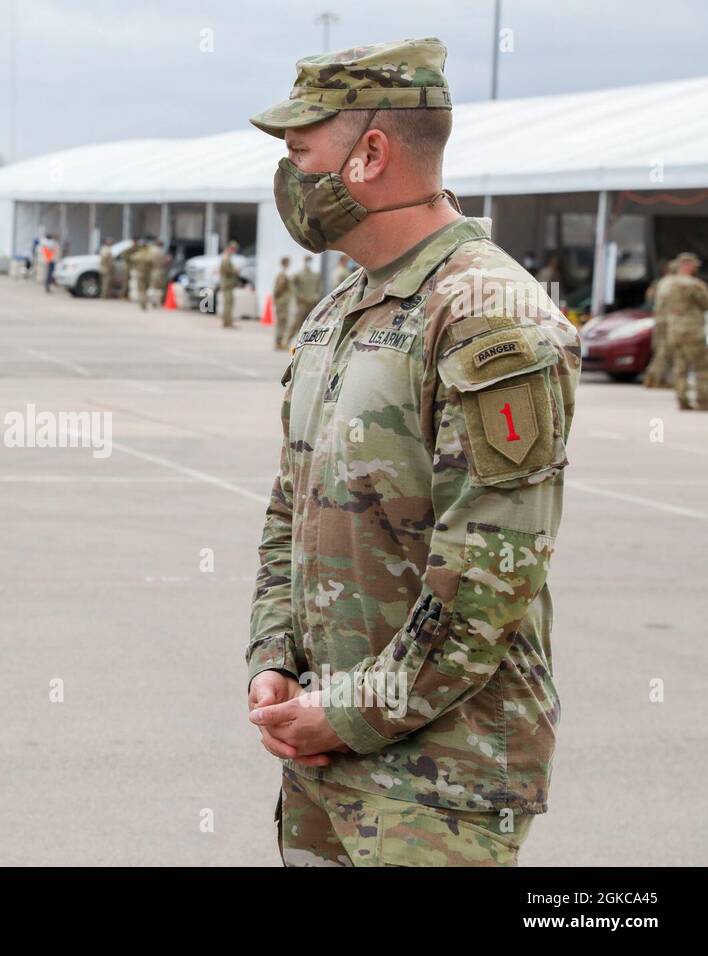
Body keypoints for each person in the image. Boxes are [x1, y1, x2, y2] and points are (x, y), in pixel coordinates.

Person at [246, 38, 580, 866]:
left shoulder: (486, 313)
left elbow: (491, 576)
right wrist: (274, 659)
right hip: (327, 758)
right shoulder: (338, 313)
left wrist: (353, 712)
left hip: (440, 783)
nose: (290, 178)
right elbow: (292, 506)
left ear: (370, 155)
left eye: (299, 153)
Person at [657, 251, 708, 410]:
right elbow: (705, 303)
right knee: (702, 366)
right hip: (692, 330)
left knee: (680, 366)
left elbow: (660, 307)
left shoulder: (666, 283)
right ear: (686, 265)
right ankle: (703, 400)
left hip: (673, 330)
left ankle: (682, 400)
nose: (695, 269)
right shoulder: (694, 284)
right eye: (693, 266)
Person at [644, 259, 677, 389]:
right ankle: (656, 379)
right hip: (668, 321)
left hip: (659, 320)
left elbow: (650, 297)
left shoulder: (659, 283)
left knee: (660, 350)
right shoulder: (673, 283)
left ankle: (653, 378)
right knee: (664, 351)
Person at [273, 256, 295, 348]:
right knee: (281, 321)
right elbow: (279, 288)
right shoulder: (283, 274)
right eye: (288, 262)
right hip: (282, 301)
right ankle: (279, 342)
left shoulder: (283, 274)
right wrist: (277, 298)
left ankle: (280, 341)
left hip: (282, 301)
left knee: (283, 321)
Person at [218, 240, 240, 327]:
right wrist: (235, 271)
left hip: (228, 285)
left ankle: (228, 322)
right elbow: (227, 270)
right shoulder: (226, 258)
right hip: (227, 285)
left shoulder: (227, 258)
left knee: (229, 303)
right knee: (228, 304)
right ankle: (227, 322)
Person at [150, 240, 171, 307]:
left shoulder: (151, 251)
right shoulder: (161, 252)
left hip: (152, 270)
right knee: (160, 288)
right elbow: (164, 261)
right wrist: (168, 259)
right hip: (160, 271)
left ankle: (152, 300)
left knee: (153, 286)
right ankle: (157, 301)